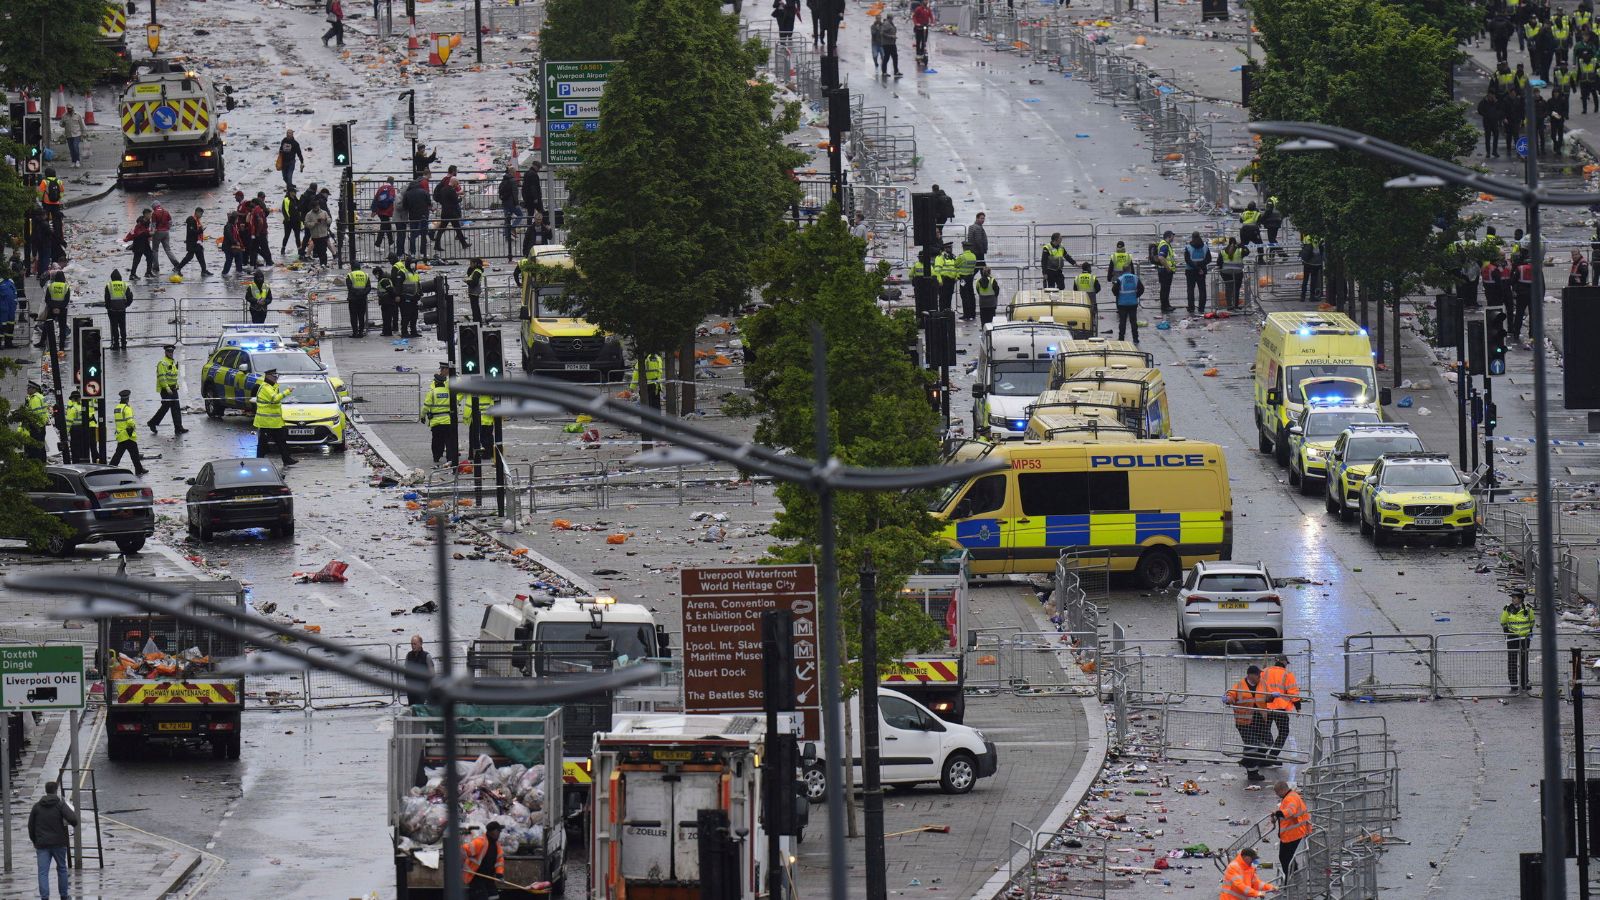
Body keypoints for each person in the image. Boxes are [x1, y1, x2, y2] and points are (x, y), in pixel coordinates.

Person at [29, 781, 78, 900]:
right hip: (59, 842)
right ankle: (64, 895)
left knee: (43, 872)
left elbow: (31, 826)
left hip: (42, 844)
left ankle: (45, 897)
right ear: (56, 790)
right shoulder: (60, 805)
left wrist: (35, 841)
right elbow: (74, 820)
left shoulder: (37, 806)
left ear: (46, 791)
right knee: (61, 868)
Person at [1226, 665, 1271, 782]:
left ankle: (1247, 760)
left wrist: (1272, 696)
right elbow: (1231, 696)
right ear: (1251, 675)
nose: (1260, 676)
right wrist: (1227, 699)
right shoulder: (1240, 685)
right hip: (1244, 722)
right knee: (1252, 746)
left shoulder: (1263, 683)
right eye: (1258, 674)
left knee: (1267, 743)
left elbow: (1267, 697)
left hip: (1260, 720)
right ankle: (1252, 772)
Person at [249, 370, 296, 466]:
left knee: (281, 441)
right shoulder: (266, 388)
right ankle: (259, 461)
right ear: (268, 377)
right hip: (266, 422)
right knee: (263, 443)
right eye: (274, 377)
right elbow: (275, 399)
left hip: (274, 422)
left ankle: (287, 459)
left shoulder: (271, 387)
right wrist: (288, 391)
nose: (276, 379)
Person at [1259, 654, 1300, 762]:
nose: (1287, 664)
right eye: (1287, 662)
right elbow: (1293, 692)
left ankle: (1260, 757)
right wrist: (1298, 707)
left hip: (1265, 707)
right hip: (1280, 708)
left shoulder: (1264, 671)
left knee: (1264, 731)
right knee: (1283, 732)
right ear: (1284, 662)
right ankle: (1272, 756)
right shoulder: (1287, 674)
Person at [1273, 781, 1311, 874]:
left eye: (1277, 793)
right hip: (1294, 832)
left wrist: (1280, 813)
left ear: (1282, 790)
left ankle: (1291, 879)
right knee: (1287, 857)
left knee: (1285, 858)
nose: (1277, 795)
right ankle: (1294, 876)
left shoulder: (1290, 798)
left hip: (1293, 833)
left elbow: (1291, 811)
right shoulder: (1291, 796)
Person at [148, 344, 187, 434]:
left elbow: (173, 375)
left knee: (176, 408)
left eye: (172, 351)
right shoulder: (162, 363)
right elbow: (162, 377)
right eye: (169, 351)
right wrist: (167, 388)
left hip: (173, 389)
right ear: (165, 352)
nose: (171, 353)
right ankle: (152, 422)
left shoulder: (172, 362)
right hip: (166, 390)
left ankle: (178, 427)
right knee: (165, 407)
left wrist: (176, 384)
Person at [462, 820, 505, 900]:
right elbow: (463, 850)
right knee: (481, 897)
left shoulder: (497, 845)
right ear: (492, 831)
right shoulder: (480, 842)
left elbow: (499, 861)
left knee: (494, 896)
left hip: (489, 877)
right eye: (498, 831)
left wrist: (499, 874)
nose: (500, 833)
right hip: (476, 877)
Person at [423, 372, 459, 466]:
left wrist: (422, 416)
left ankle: (436, 456)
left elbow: (426, 407)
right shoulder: (449, 392)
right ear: (443, 383)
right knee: (448, 440)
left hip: (436, 421)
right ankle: (450, 458)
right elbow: (455, 405)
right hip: (447, 420)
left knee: (437, 440)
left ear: (435, 382)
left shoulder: (432, 393)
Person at [432, 166, 470, 251]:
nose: (457, 185)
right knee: (456, 228)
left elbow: (444, 199)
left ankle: (437, 245)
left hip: (445, 211)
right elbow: (455, 201)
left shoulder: (443, 190)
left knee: (443, 229)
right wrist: (461, 198)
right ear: (453, 182)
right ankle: (464, 244)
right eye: (456, 184)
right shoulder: (451, 190)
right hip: (451, 212)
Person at [1502, 591, 1534, 691]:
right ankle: (1513, 683)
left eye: (1514, 597)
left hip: (1525, 638)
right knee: (1512, 660)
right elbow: (1503, 622)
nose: (1512, 599)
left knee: (1524, 661)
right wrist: (1508, 633)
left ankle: (1524, 682)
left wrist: (1527, 633)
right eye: (1512, 597)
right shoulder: (1508, 608)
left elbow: (1532, 622)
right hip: (1512, 637)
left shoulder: (1528, 608)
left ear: (1520, 599)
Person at [109, 390, 147, 475]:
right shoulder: (127, 408)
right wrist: (133, 426)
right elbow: (130, 421)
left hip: (121, 434)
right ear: (127, 399)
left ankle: (111, 468)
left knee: (118, 454)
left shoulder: (117, 408)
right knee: (134, 454)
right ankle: (139, 469)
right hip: (128, 435)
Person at [176, 208, 211, 277]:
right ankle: (178, 268)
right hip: (192, 242)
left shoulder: (197, 220)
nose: (201, 216)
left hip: (196, 242)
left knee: (199, 255)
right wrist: (200, 231)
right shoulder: (191, 220)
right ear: (196, 212)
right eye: (201, 214)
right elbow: (191, 232)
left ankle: (204, 270)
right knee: (190, 256)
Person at [39, 272, 69, 351]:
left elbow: (47, 299)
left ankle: (42, 342)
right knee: (62, 329)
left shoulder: (51, 286)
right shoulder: (66, 286)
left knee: (47, 326)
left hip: (51, 309)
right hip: (62, 310)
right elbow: (66, 300)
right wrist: (59, 308)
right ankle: (61, 347)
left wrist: (53, 307)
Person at [103, 270, 133, 350]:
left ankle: (116, 344)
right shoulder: (124, 285)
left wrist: (108, 307)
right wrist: (126, 305)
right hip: (122, 309)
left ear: (112, 278)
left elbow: (107, 298)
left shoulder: (109, 285)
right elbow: (130, 297)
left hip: (112, 310)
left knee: (114, 327)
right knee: (122, 327)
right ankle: (124, 344)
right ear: (120, 277)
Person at [403, 178, 433, 257]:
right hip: (423, 216)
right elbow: (429, 203)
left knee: (413, 235)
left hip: (413, 216)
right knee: (423, 234)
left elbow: (405, 206)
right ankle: (422, 253)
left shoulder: (407, 193)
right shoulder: (424, 192)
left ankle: (413, 253)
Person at [1114, 266, 1144, 345]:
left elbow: (1114, 290)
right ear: (1130, 270)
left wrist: (1119, 296)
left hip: (1122, 303)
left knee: (1122, 321)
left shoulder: (1120, 279)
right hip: (1133, 303)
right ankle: (1135, 338)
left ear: (1123, 270)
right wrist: (1135, 296)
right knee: (1133, 322)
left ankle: (1121, 338)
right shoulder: (1135, 278)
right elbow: (1142, 289)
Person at [1184, 232, 1211, 313]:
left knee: (1190, 290)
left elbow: (1187, 260)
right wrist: (1200, 266)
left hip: (1190, 271)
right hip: (1202, 271)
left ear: (1192, 237)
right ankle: (1201, 308)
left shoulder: (1188, 247)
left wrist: (1196, 266)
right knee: (1202, 290)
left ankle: (1191, 308)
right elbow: (1208, 259)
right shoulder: (1205, 247)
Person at [498, 167, 523, 254]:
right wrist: (517, 203)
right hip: (511, 202)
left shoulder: (504, 179)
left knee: (507, 219)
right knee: (520, 215)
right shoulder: (512, 181)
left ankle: (507, 236)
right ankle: (513, 227)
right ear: (512, 172)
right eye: (515, 172)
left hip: (505, 202)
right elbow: (515, 193)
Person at [1218, 237, 1249, 309]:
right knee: (1236, 289)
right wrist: (1241, 245)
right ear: (1236, 243)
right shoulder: (1240, 250)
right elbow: (1247, 251)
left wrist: (1221, 269)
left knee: (1228, 288)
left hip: (1226, 273)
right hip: (1238, 272)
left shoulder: (1223, 251)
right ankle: (1235, 305)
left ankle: (1229, 306)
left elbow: (1219, 262)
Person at [150, 202, 181, 272]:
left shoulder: (154, 213)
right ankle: (176, 263)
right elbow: (170, 222)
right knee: (168, 249)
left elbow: (153, 225)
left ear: (153, 207)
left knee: (155, 250)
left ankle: (155, 267)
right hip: (166, 232)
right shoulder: (166, 212)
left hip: (157, 233)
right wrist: (167, 228)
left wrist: (152, 234)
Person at [397, 256, 424, 337]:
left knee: (414, 316)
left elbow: (418, 285)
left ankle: (413, 331)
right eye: (413, 263)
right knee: (406, 316)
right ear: (409, 264)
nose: (415, 265)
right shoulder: (402, 272)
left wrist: (420, 294)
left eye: (415, 263)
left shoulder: (415, 273)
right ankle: (404, 332)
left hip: (414, 298)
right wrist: (398, 295)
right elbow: (398, 285)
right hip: (405, 298)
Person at [124, 211, 154, 278]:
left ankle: (148, 273)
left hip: (145, 243)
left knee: (150, 257)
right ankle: (132, 275)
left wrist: (149, 235)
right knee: (137, 260)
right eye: (149, 214)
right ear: (145, 214)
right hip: (139, 244)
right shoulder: (140, 223)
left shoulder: (147, 222)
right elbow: (137, 232)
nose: (150, 215)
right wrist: (149, 234)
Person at [404, 634, 433, 706]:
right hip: (411, 689)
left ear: (420, 644)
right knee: (411, 707)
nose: (413, 646)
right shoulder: (409, 655)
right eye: (411, 644)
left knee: (420, 707)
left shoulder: (427, 656)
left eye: (415, 644)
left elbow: (432, 673)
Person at [22, 382, 48, 460]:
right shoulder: (40, 397)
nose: (27, 390)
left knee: (35, 447)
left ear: (34, 389)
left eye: (28, 388)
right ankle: (42, 461)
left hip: (36, 426)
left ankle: (36, 463)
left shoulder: (34, 399)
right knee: (41, 446)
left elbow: (35, 414)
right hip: (41, 425)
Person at [65, 390, 92, 463]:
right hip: (84, 429)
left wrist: (66, 432)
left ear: (73, 399)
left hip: (75, 430)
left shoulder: (73, 409)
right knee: (83, 447)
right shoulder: (84, 407)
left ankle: (76, 462)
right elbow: (89, 417)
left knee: (75, 448)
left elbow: (69, 421)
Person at [303, 199, 333, 266]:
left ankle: (323, 264)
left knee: (323, 251)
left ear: (318, 206)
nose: (316, 208)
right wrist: (314, 223)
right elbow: (306, 224)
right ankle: (322, 264)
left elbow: (329, 220)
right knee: (319, 251)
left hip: (324, 235)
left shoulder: (324, 212)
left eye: (316, 207)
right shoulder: (309, 214)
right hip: (315, 236)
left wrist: (325, 220)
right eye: (314, 207)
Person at [1153, 230, 1177, 313]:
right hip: (1165, 271)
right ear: (1169, 236)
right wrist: (1168, 268)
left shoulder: (1167, 245)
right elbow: (1161, 258)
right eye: (1172, 236)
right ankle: (1164, 306)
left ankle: (1167, 305)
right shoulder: (1164, 245)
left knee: (1166, 289)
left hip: (1165, 270)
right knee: (1164, 289)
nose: (1173, 238)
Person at [346, 265, 373, 337]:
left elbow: (349, 287)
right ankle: (361, 332)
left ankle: (355, 332)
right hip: (362, 299)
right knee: (361, 316)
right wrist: (363, 293)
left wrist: (356, 293)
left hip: (353, 299)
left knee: (353, 316)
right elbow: (369, 287)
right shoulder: (365, 275)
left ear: (352, 268)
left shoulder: (350, 275)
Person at [1512, 252, 1534, 340]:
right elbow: (1541, 283)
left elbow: (1513, 281)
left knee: (1519, 314)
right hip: (1533, 295)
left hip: (1521, 295)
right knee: (1533, 315)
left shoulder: (1519, 268)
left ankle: (1516, 333)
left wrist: (1514, 290)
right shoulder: (1536, 269)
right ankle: (1532, 334)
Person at [372, 177, 398, 249]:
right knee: (383, 228)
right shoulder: (391, 188)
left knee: (387, 226)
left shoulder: (381, 188)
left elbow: (375, 199)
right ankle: (377, 245)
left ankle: (391, 243)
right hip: (387, 211)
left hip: (380, 211)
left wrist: (374, 210)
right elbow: (391, 198)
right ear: (392, 182)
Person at [956, 241, 979, 320]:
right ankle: (972, 313)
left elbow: (955, 264)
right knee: (971, 295)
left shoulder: (962, 256)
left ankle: (966, 314)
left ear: (963, 248)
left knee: (964, 295)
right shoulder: (973, 256)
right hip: (970, 277)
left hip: (963, 279)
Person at [377, 258, 400, 336]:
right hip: (387, 301)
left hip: (386, 301)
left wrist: (396, 296)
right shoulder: (385, 279)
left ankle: (387, 332)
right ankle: (387, 331)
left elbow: (390, 289)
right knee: (388, 317)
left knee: (386, 317)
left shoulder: (384, 280)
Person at [933, 242, 959, 311]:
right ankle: (942, 313)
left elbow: (957, 268)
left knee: (949, 298)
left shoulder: (953, 257)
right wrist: (940, 280)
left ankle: (948, 313)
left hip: (951, 280)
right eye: (948, 248)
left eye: (951, 247)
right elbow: (937, 270)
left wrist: (957, 277)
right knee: (943, 298)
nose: (950, 249)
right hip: (944, 280)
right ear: (944, 249)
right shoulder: (940, 257)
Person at [465, 257, 486, 324]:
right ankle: (477, 320)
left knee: (475, 308)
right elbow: (469, 273)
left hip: (474, 291)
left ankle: (477, 321)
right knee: (475, 307)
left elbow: (474, 283)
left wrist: (466, 281)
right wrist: (471, 267)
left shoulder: (477, 271)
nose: (470, 265)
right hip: (474, 291)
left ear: (475, 263)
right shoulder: (475, 270)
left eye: (471, 263)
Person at [0, 271, 15, 349]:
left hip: (11, 308)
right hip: (3, 308)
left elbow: (14, 293)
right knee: (2, 325)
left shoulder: (10, 282)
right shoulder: (1, 282)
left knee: (10, 325)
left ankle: (9, 343)